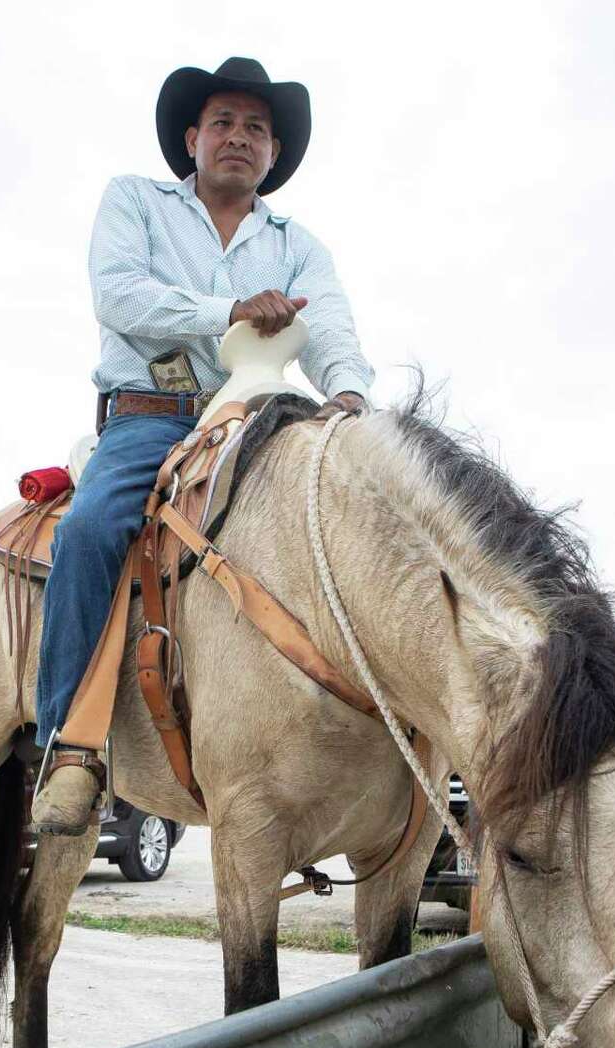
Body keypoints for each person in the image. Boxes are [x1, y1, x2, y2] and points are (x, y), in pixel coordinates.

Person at [29, 56, 374, 835]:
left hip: (255, 414)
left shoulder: (298, 245)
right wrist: (230, 311)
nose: (239, 137)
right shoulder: (136, 202)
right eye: (223, 122)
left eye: (257, 128)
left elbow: (331, 330)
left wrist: (350, 393)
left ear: (273, 154)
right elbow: (119, 296)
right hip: (152, 417)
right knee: (91, 529)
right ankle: (70, 748)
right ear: (192, 139)